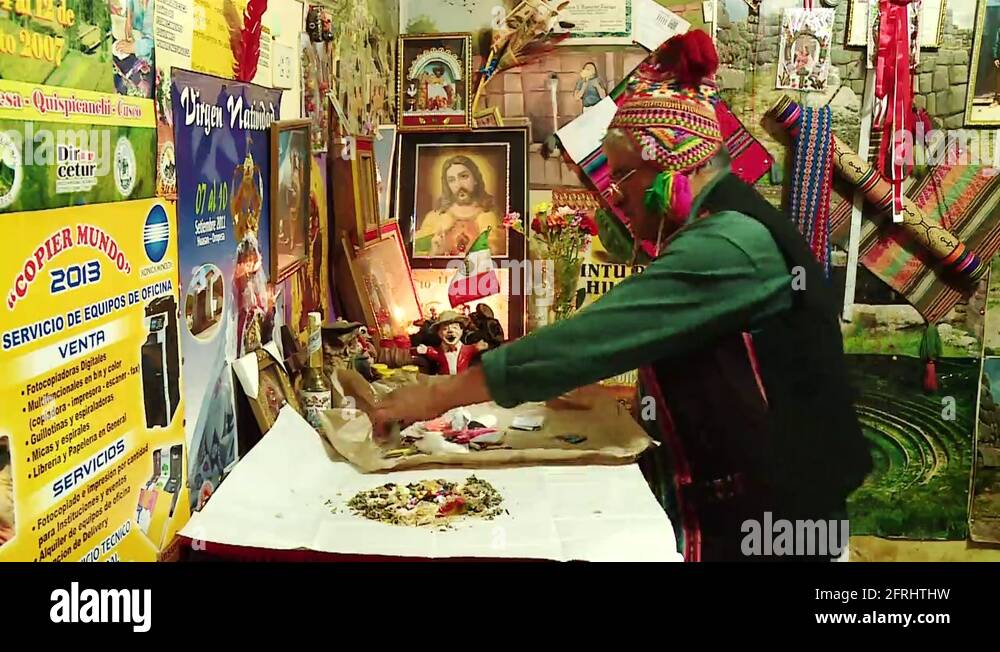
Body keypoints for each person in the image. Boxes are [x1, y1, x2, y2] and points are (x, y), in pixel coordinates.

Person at [373, 30, 872, 561]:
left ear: (674, 168)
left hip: (781, 528)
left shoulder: (732, 243)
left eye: (626, 174)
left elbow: (595, 337)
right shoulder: (720, 225)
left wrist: (433, 395)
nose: (616, 193)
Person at [414, 155, 504, 256]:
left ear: (475, 180)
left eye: (464, 176)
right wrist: (434, 252)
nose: (458, 185)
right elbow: (415, 258)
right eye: (451, 180)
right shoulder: (434, 218)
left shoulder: (492, 217)